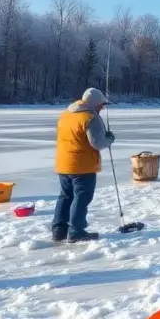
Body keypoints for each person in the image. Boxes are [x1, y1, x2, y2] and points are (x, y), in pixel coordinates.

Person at [53, 88, 115, 243]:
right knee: (81, 197)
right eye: (101, 105)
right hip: (82, 166)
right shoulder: (90, 117)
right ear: (94, 103)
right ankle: (76, 231)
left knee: (65, 196)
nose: (102, 108)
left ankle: (59, 230)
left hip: (64, 163)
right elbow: (98, 143)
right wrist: (110, 138)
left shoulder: (66, 114)